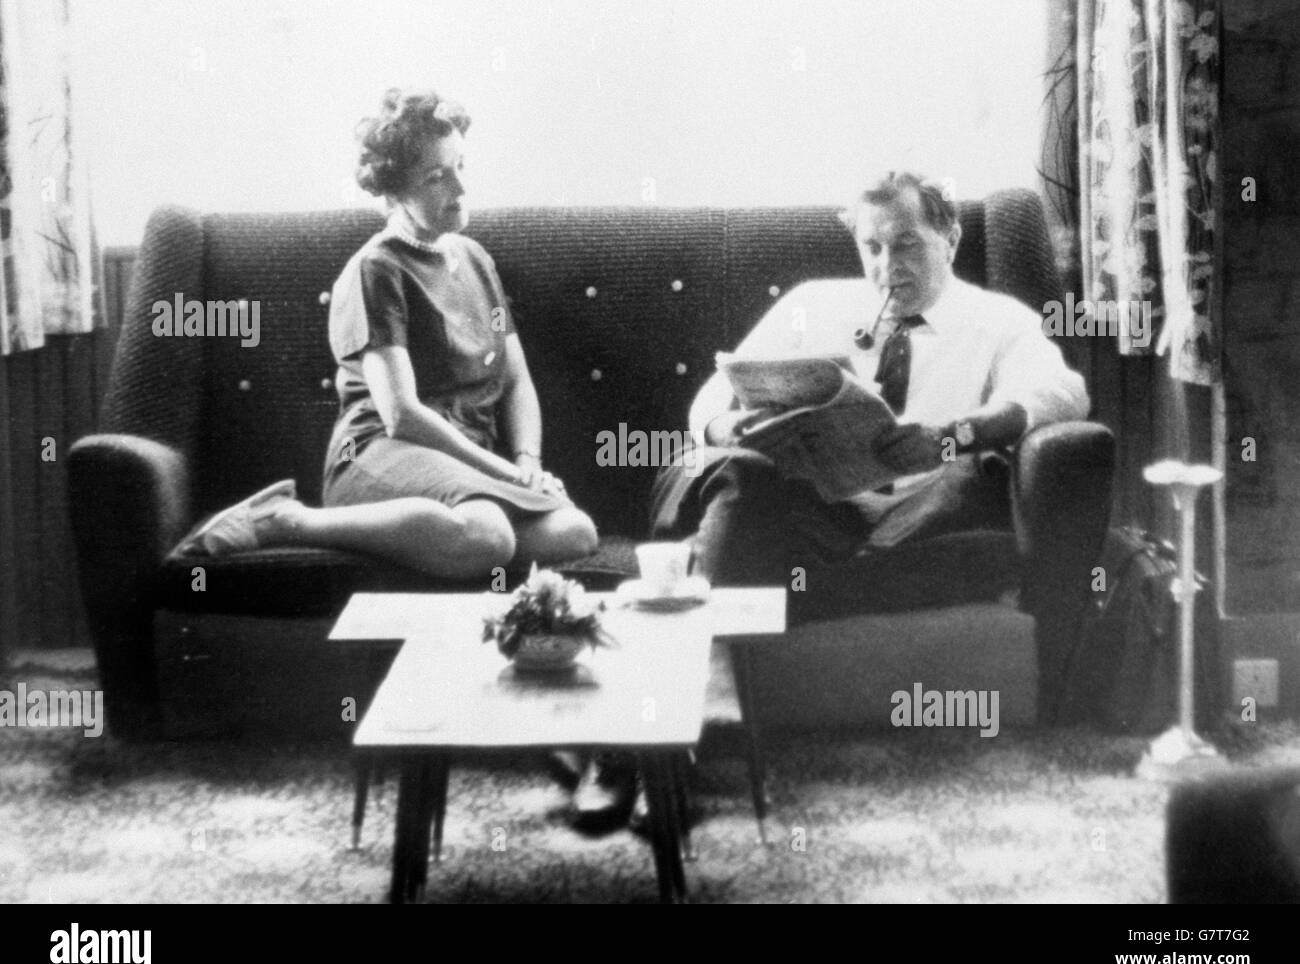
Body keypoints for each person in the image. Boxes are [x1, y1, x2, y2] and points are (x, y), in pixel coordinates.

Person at [179, 88, 598, 578]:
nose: (460, 189)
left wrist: (529, 459)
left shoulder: (476, 261)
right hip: (379, 454)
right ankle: (288, 520)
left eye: (461, 166)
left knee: (575, 532)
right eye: (437, 178)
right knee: (488, 535)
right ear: (395, 192)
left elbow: (516, 378)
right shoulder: (377, 270)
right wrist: (506, 472)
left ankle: (439, 532)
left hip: (460, 461)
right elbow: (402, 416)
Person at [650, 170, 1091, 614]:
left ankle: (808, 589)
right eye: (872, 247)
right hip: (811, 512)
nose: (886, 266)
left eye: (906, 244)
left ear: (950, 239)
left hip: (922, 515)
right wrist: (727, 426)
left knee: (974, 473)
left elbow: (1062, 393)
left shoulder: (999, 320)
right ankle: (846, 587)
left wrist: (952, 435)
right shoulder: (812, 304)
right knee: (736, 471)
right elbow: (712, 396)